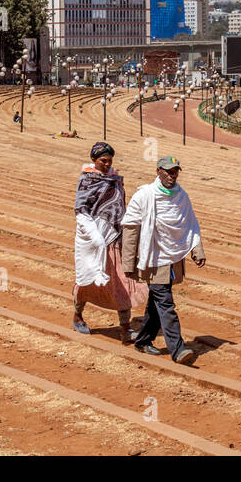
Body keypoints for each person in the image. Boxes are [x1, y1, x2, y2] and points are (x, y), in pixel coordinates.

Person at [121, 157, 205, 365]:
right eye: (168, 171)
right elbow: (131, 230)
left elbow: (190, 224)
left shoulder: (181, 196)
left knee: (157, 301)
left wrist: (197, 251)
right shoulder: (145, 196)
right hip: (153, 258)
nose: (172, 175)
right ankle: (177, 349)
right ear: (158, 171)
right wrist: (128, 264)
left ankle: (142, 340)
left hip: (173, 258)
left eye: (175, 171)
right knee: (165, 302)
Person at [73, 141, 147, 339]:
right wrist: (96, 237)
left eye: (109, 161)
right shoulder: (87, 180)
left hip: (116, 237)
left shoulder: (115, 179)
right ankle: (77, 315)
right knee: (87, 280)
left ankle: (125, 328)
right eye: (103, 161)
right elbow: (81, 210)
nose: (107, 164)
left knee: (122, 281)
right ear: (93, 160)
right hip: (94, 240)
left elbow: (120, 206)